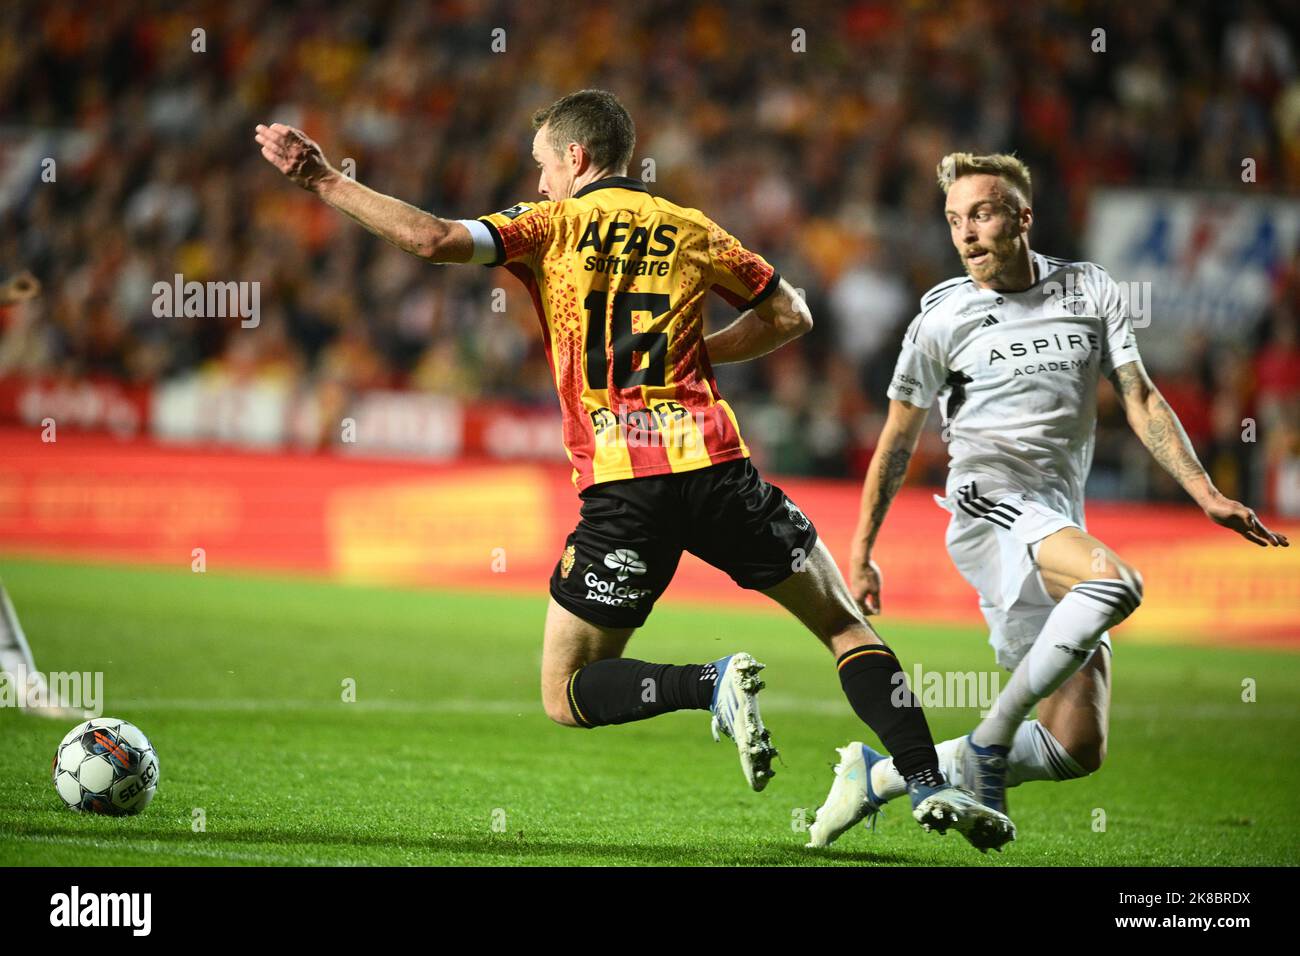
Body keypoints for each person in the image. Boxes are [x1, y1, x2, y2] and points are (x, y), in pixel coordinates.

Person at [256, 92, 1014, 851]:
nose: (542, 180)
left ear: (576, 159)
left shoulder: (547, 225)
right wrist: (695, 353)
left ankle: (707, 684)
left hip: (625, 486)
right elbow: (793, 316)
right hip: (718, 468)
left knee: (566, 692)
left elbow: (430, 238)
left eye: (544, 166)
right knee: (846, 626)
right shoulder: (691, 228)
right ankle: (924, 779)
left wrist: (323, 180)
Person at [807, 151, 1289, 848]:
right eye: (953, 221)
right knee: (1118, 583)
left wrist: (1205, 491)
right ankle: (990, 742)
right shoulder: (942, 318)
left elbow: (1140, 396)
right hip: (989, 506)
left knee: (1076, 746)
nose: (966, 233)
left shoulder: (1088, 289)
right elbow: (896, 440)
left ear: (1022, 217)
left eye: (981, 213)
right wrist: (861, 551)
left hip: (1057, 518)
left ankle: (876, 776)